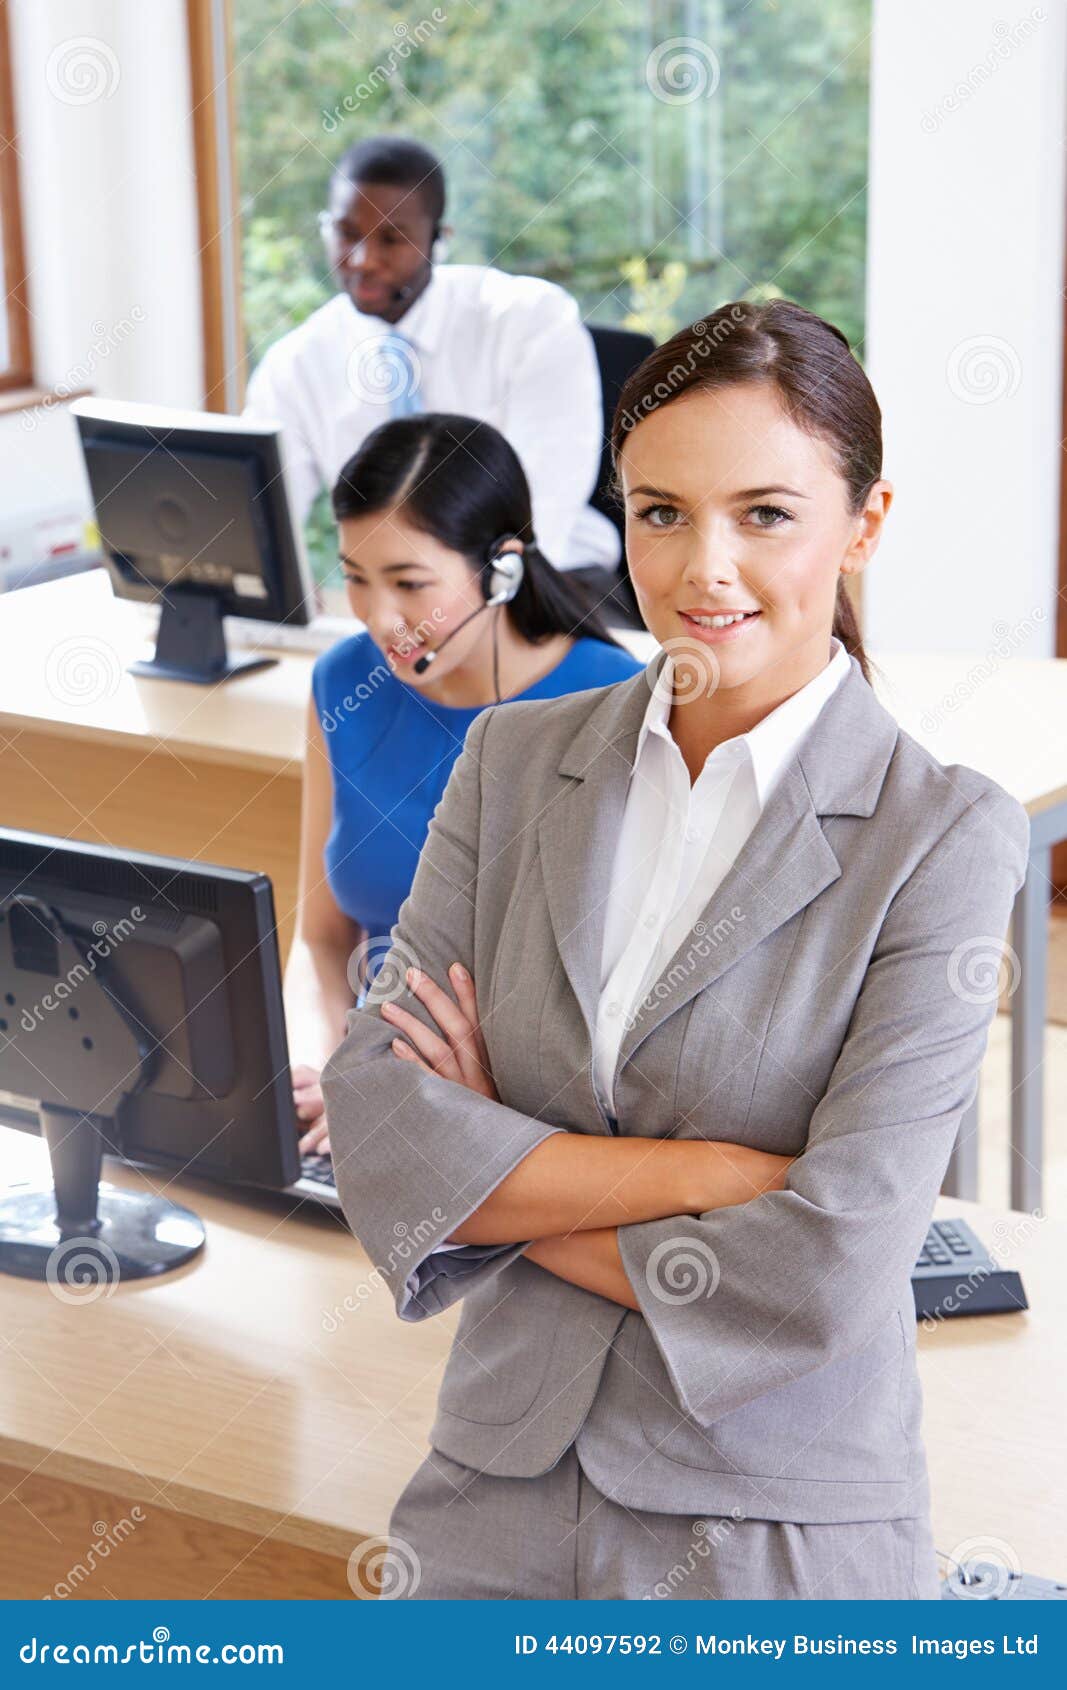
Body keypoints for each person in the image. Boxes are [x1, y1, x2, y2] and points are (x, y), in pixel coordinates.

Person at [319, 299, 1030, 1600]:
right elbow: (375, 1129)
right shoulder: (511, 762)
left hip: (768, 1532)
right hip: (489, 1488)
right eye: (660, 512)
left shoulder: (942, 835)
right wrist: (706, 1172)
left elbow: (828, 1270)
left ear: (861, 524)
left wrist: (488, 1187)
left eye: (763, 513)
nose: (703, 568)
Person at [284, 412, 642, 1157]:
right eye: (355, 579)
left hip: (529, 1121)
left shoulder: (612, 702)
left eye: (411, 584)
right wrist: (334, 1064)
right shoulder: (341, 682)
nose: (383, 619)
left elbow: (619, 987)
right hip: (373, 1095)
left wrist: (438, 1099)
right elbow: (322, 937)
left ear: (501, 569)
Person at [243, 133, 620, 576]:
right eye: (347, 233)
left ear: (438, 239)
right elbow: (258, 512)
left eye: (392, 239)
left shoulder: (527, 320)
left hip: (550, 579)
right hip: (396, 603)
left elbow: (545, 504)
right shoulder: (299, 362)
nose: (363, 260)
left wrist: (473, 604)